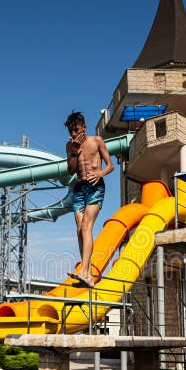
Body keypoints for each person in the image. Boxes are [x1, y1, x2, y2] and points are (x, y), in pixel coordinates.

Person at [65, 111, 113, 288]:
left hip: (95, 187)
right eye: (70, 131)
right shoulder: (70, 146)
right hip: (78, 189)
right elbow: (70, 170)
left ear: (84, 127)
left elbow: (110, 165)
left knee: (86, 225)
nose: (73, 134)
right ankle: (87, 275)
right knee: (79, 229)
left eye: (75, 130)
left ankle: (85, 271)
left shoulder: (96, 141)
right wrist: (75, 152)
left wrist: (100, 173)